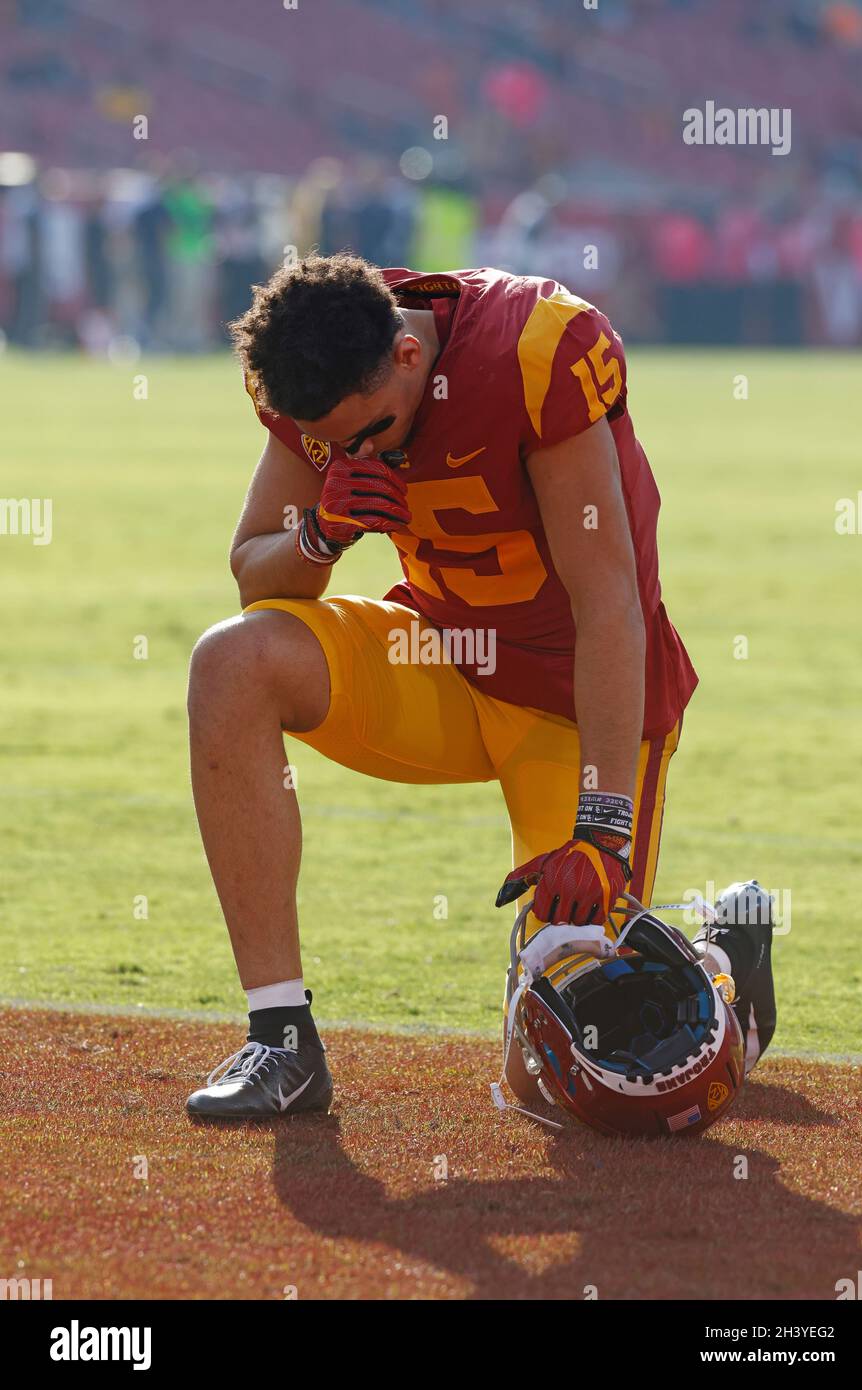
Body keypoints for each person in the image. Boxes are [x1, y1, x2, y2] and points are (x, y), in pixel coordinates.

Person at [184, 253, 769, 1121]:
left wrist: (600, 831)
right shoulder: (315, 369)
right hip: (440, 658)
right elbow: (255, 575)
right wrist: (322, 532)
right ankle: (281, 1038)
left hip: (574, 699)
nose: (353, 454)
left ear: (412, 358)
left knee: (585, 1078)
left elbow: (610, 604)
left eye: (369, 433)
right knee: (230, 662)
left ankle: (729, 975)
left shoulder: (536, 350)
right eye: (334, 443)